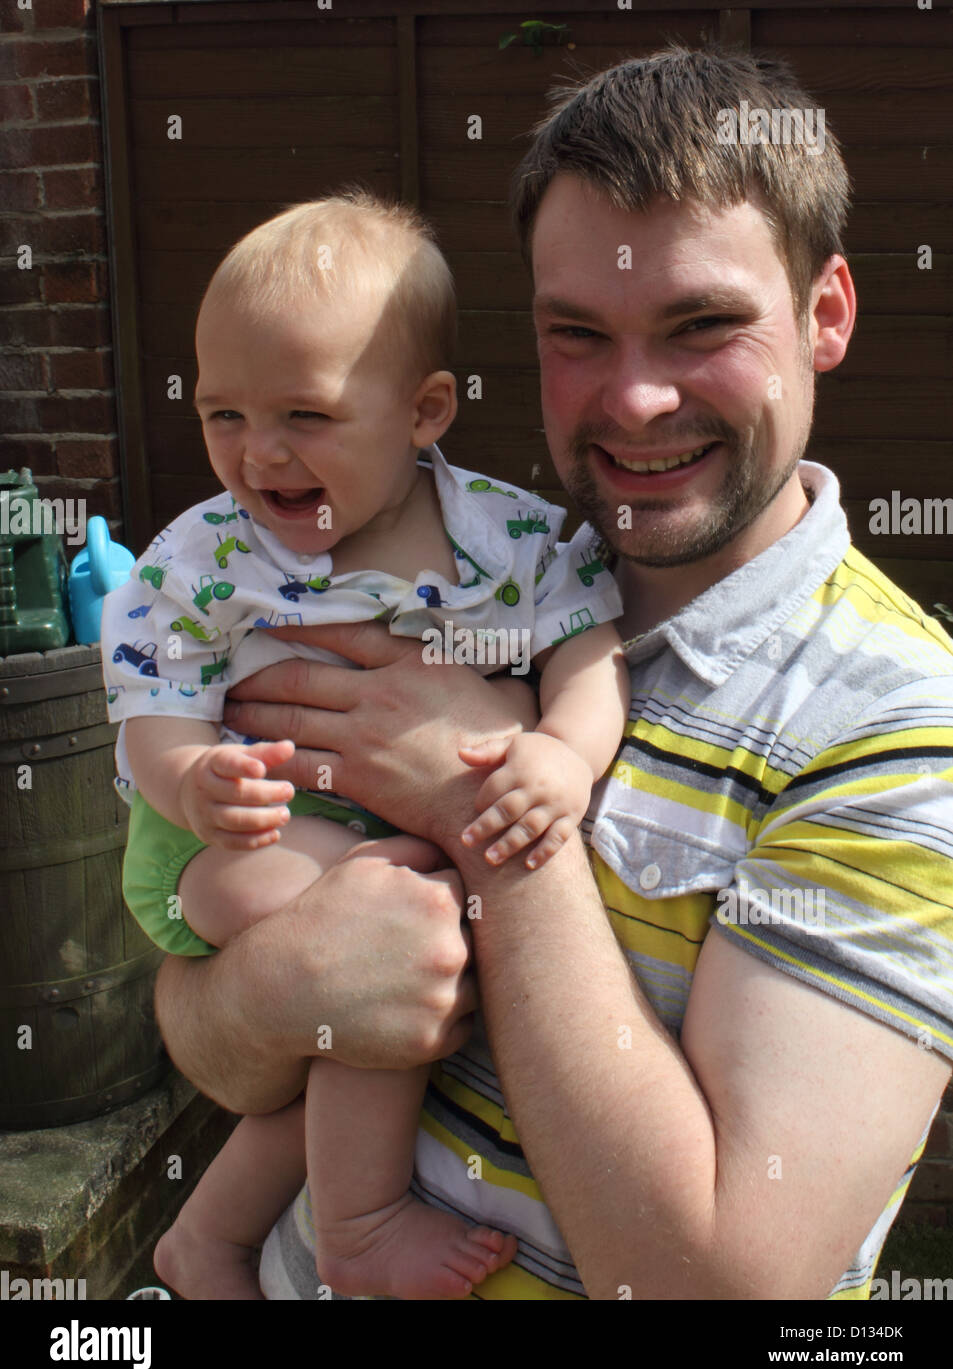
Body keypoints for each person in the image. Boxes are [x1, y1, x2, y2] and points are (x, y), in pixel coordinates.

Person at [151, 45, 953, 1300]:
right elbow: (209, 1032)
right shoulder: (476, 583)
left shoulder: (897, 726)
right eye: (576, 334)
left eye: (701, 325)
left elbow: (719, 1286)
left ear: (825, 314)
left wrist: (475, 808)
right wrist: (273, 993)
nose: (632, 400)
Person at [100, 193, 629, 1300]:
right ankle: (360, 1223)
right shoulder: (204, 556)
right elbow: (153, 700)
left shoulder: (510, 539)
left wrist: (565, 754)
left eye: (305, 413)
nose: (259, 453)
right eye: (224, 414)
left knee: (373, 970)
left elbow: (588, 650)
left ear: (424, 410)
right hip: (226, 842)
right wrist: (193, 778)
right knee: (393, 930)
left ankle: (206, 1239)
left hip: (365, 840)